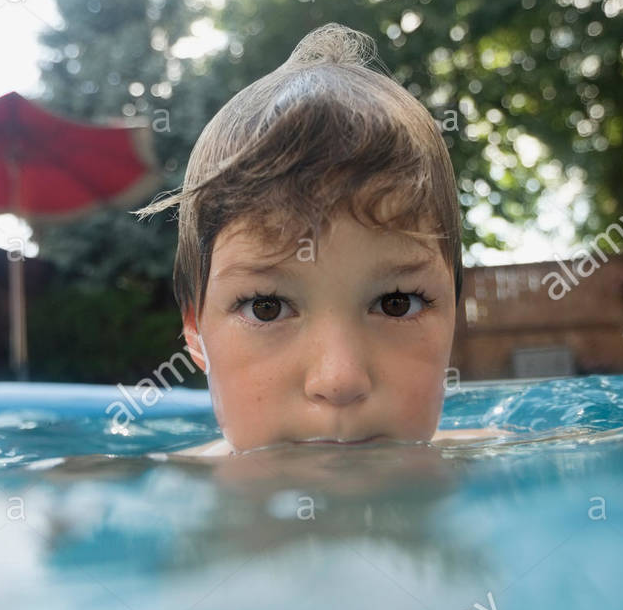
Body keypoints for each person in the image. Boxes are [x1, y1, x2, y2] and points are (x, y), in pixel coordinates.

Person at [132, 23, 505, 458]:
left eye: (397, 303)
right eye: (266, 307)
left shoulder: (499, 470)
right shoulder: (165, 498)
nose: (339, 381)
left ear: (452, 319)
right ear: (196, 334)